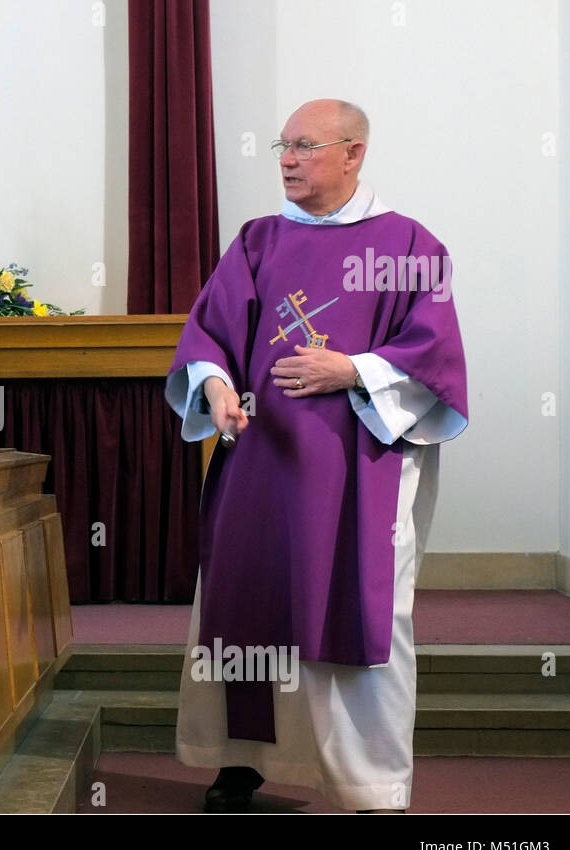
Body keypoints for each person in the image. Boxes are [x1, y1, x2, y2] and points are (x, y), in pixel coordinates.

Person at [164, 99, 468, 813]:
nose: (288, 159)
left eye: (305, 146)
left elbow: (438, 356)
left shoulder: (408, 248)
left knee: (360, 613)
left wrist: (353, 370)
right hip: (260, 464)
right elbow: (208, 331)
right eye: (283, 145)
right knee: (244, 606)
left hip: (357, 469)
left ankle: (373, 784)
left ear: (354, 152)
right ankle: (240, 760)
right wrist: (212, 386)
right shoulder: (257, 241)